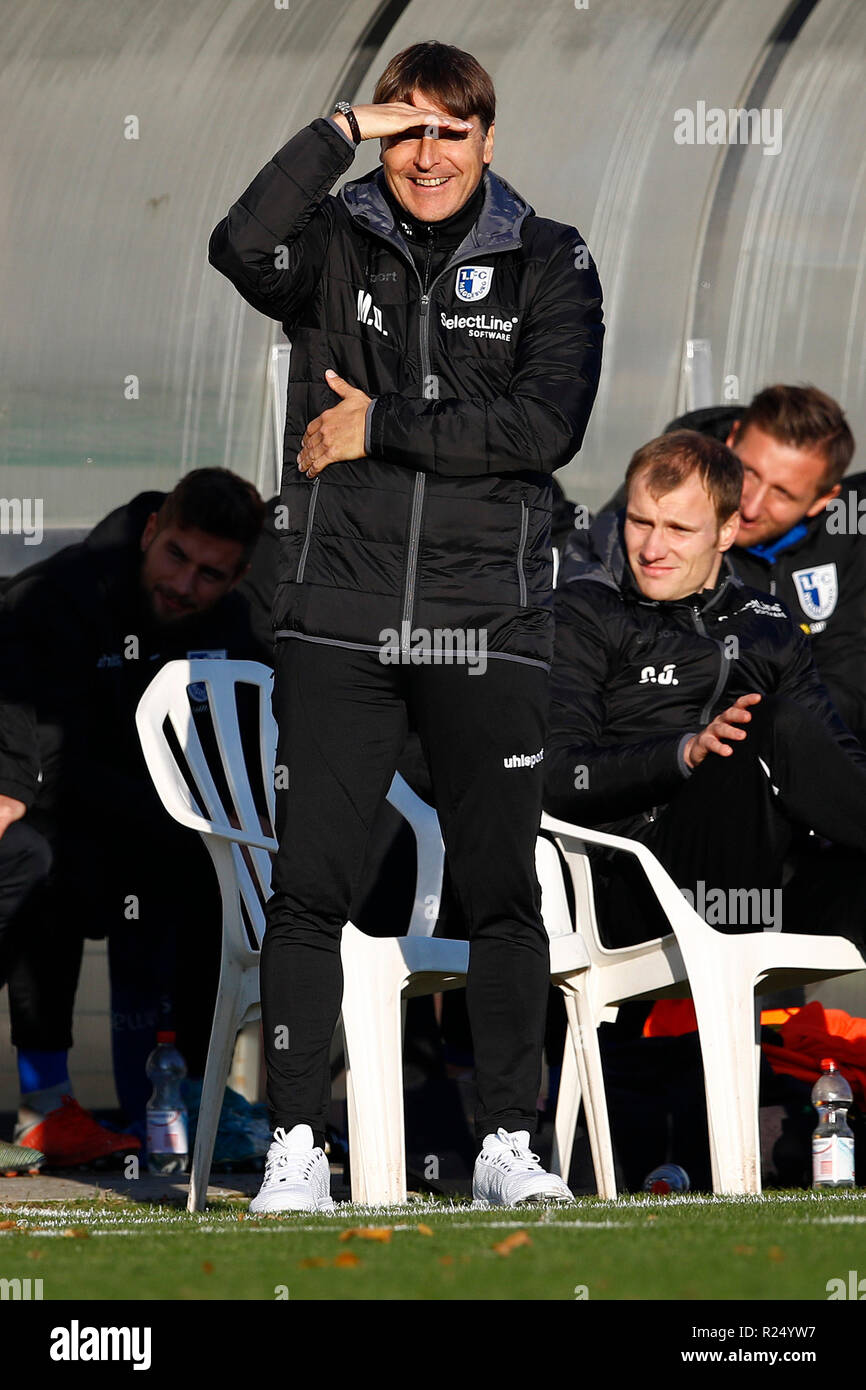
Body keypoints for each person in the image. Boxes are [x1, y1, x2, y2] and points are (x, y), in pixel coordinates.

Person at [209, 38, 604, 1211]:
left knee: (500, 893)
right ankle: (295, 1146)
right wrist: (341, 129)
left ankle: (504, 1145)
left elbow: (543, 428)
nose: (426, 154)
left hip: (489, 621)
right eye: (406, 129)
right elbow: (237, 245)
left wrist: (380, 429)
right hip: (336, 613)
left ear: (490, 140)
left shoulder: (549, 256)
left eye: (450, 130)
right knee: (308, 889)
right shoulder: (330, 239)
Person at [0, 468, 268, 1164]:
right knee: (40, 859)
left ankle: (190, 1093)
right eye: (176, 556)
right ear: (152, 530)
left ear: (237, 578)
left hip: (149, 831)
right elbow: (48, 770)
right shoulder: (57, 599)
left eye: (211, 574)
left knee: (217, 864)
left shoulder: (238, 623)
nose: (185, 585)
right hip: (63, 818)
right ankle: (45, 1102)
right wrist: (179, 817)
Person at [544, 430, 866, 949]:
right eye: (640, 521)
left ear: (725, 530)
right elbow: (556, 775)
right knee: (766, 722)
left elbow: (836, 755)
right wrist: (683, 754)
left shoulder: (770, 623)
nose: (652, 548)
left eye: (678, 528)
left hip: (762, 883)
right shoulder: (585, 611)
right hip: (632, 881)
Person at [601, 385, 866, 737]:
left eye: (783, 493)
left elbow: (848, 678)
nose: (751, 506)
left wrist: (772, 735)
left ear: (823, 499)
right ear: (733, 437)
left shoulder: (845, 535)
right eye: (749, 472)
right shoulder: (659, 502)